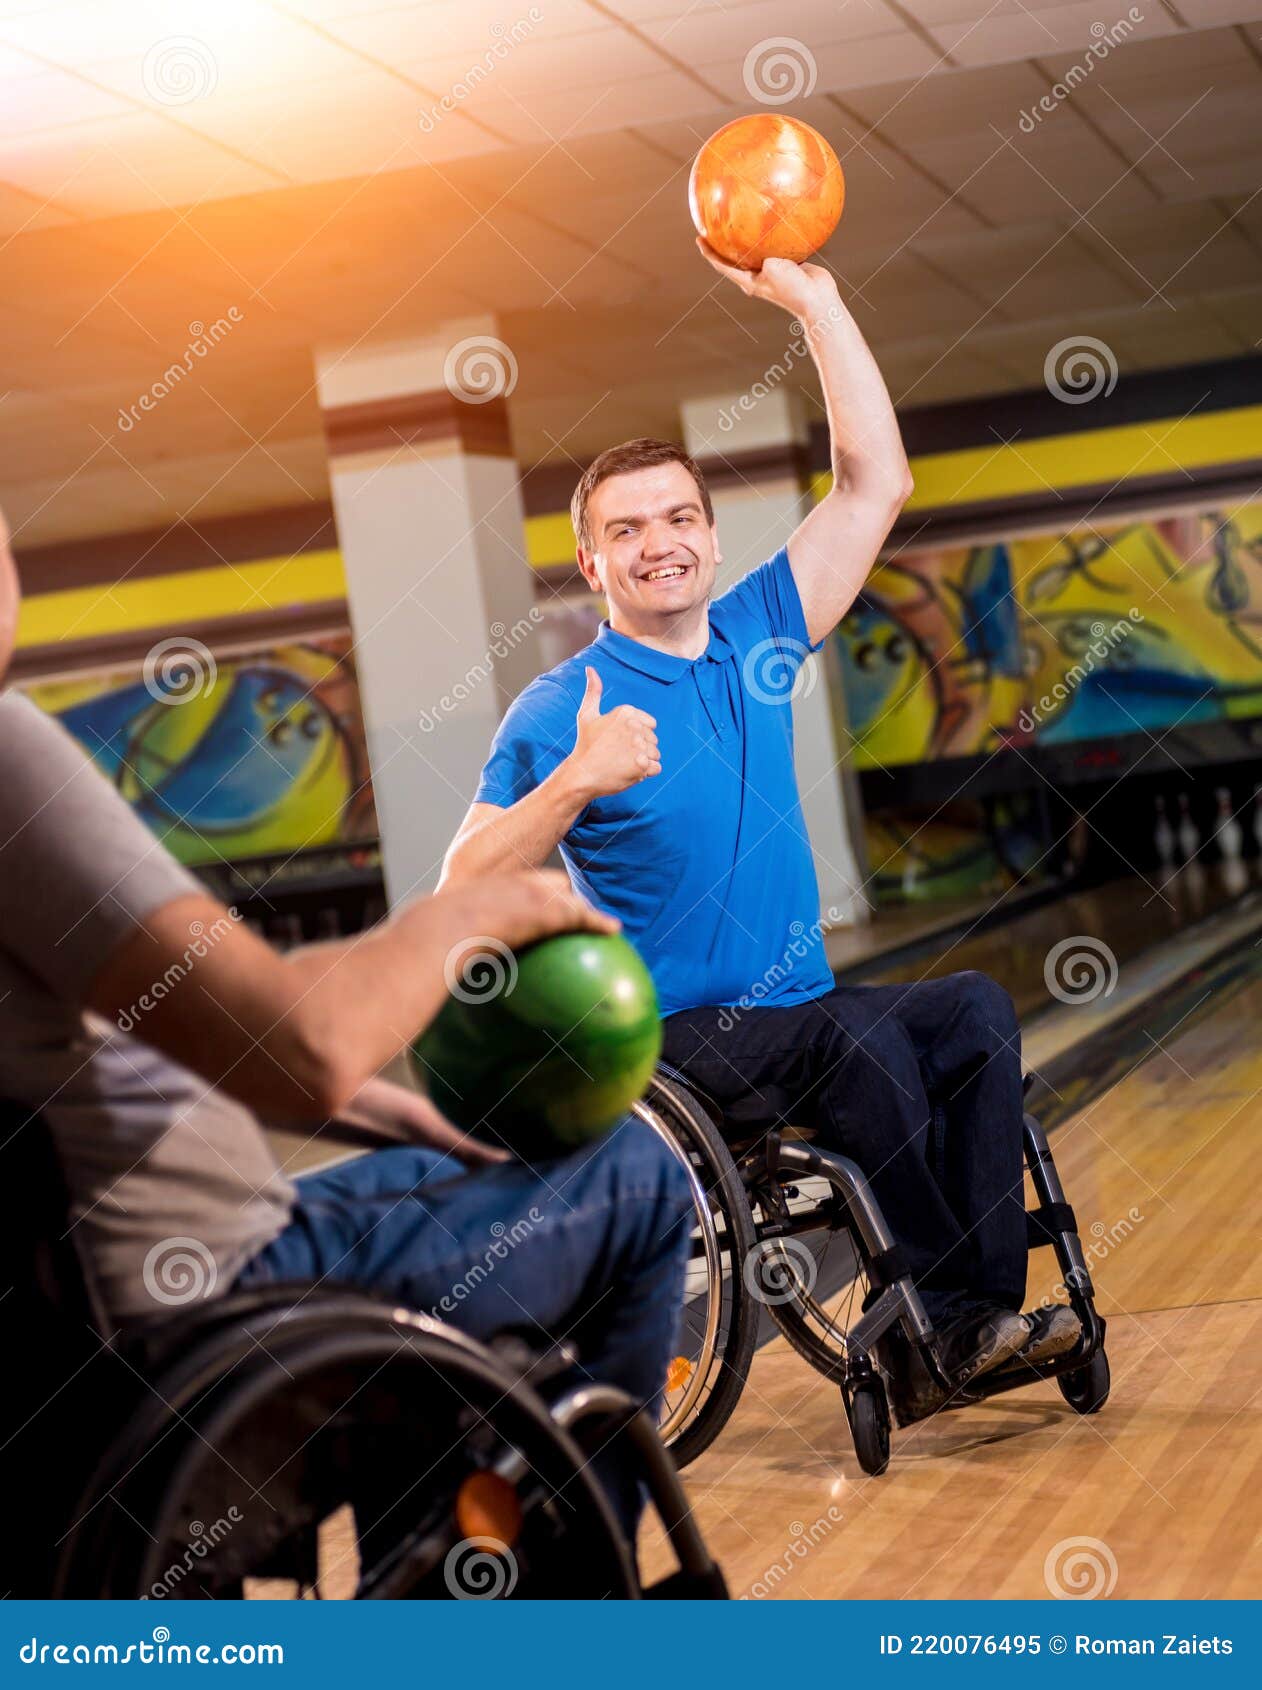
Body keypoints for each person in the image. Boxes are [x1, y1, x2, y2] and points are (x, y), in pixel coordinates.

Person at [442, 240, 1078, 1407]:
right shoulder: (558, 708)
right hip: (676, 1037)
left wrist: (819, 302)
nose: (659, 542)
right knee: (852, 1044)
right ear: (592, 564)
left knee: (971, 1010)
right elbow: (460, 882)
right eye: (626, 530)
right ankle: (940, 1318)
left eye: (677, 516)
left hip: (794, 1005)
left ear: (712, 534)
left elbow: (872, 483)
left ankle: (973, 1314)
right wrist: (573, 782)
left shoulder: (759, 633)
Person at [0, 504, 691, 1539]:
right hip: (209, 1333)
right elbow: (298, 1045)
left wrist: (389, 1114)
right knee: (635, 1174)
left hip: (71, 1370)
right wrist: (467, 915)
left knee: (462, 1184)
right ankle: (575, 1600)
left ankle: (445, 1561)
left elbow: (141, 1034)